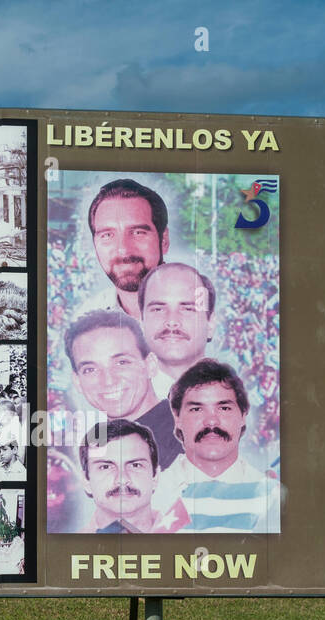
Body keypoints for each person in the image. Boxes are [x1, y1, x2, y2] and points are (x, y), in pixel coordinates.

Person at [152, 359, 278, 534]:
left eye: (224, 408)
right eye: (197, 409)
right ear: (177, 418)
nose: (211, 421)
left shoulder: (273, 499)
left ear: (243, 416)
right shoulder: (149, 497)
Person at [63, 309, 182, 469]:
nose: (108, 381)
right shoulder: (95, 446)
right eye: (90, 369)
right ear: (77, 382)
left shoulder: (188, 434)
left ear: (150, 365)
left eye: (122, 362)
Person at [85, 179, 169, 319]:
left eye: (138, 232)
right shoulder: (86, 317)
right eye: (107, 235)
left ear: (164, 240)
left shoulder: (200, 308)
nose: (123, 250)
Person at [137, 262, 217, 399]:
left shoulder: (237, 399)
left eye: (187, 309)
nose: (172, 322)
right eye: (158, 309)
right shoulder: (116, 402)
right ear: (141, 322)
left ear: (210, 324)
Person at [78, 419, 169, 533]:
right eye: (105, 467)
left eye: (135, 465)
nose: (122, 479)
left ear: (155, 477)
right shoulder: (67, 548)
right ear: (86, 480)